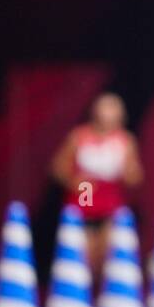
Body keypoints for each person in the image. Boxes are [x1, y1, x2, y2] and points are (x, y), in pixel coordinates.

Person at [50, 93, 143, 284]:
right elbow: (57, 167)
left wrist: (129, 172)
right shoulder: (79, 137)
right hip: (84, 204)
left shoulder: (125, 141)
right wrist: (73, 180)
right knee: (83, 259)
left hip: (110, 206)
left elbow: (135, 177)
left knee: (109, 258)